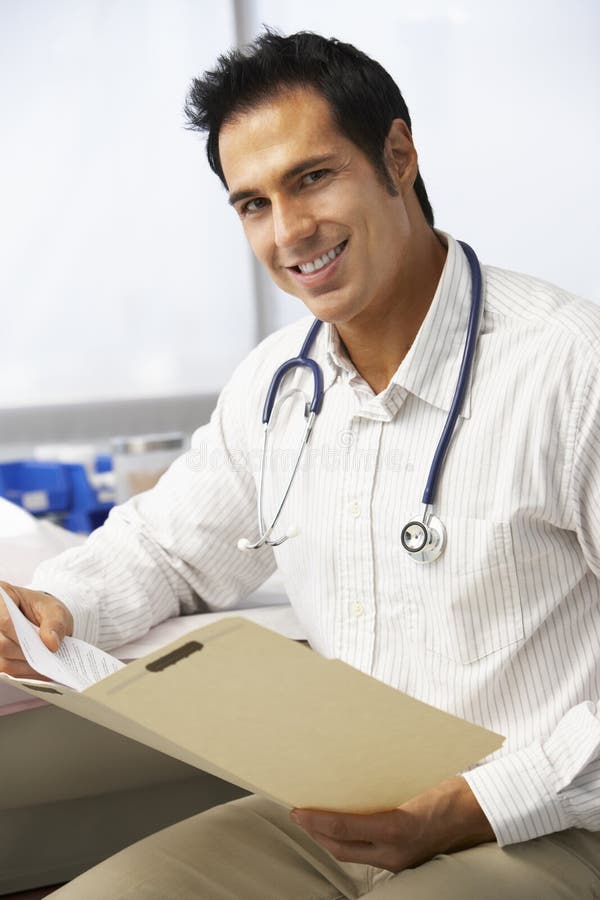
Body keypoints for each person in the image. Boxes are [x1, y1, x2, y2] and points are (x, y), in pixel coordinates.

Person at [2, 29, 600, 898]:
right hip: (331, 816)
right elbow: (169, 549)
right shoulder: (278, 387)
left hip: (546, 820)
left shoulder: (571, 369)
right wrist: (58, 603)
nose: (289, 233)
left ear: (398, 155)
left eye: (312, 177)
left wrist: (471, 804)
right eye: (252, 203)